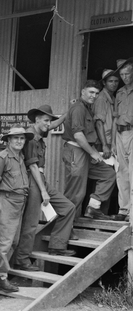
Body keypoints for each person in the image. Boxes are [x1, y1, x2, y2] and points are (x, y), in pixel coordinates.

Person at [14, 105, 77, 270]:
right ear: (37, 120)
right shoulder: (31, 138)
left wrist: (66, 113)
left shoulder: (40, 133)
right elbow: (33, 166)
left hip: (40, 179)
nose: (49, 124)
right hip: (32, 179)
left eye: (50, 121)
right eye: (46, 121)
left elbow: (53, 124)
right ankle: (22, 260)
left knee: (68, 207)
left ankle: (57, 246)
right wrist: (42, 190)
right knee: (31, 222)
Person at [62, 80, 118, 220]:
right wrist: (93, 153)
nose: (94, 96)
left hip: (86, 152)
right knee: (76, 192)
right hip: (76, 151)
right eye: (91, 92)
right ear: (83, 92)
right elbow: (78, 135)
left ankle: (93, 207)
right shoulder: (79, 108)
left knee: (108, 174)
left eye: (97, 93)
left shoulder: (87, 108)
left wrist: (92, 152)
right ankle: (66, 227)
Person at [0, 126, 32, 293]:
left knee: (13, 241)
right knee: (4, 242)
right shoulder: (1, 158)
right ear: (8, 141)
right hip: (7, 201)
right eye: (15, 138)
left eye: (22, 138)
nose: (19, 141)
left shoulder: (20, 157)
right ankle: (1, 277)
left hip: (20, 202)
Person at [114, 58, 133, 221]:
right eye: (122, 74)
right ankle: (124, 209)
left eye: (127, 73)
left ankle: (132, 211)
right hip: (120, 134)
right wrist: (113, 140)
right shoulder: (119, 93)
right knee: (121, 172)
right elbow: (114, 117)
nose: (125, 77)